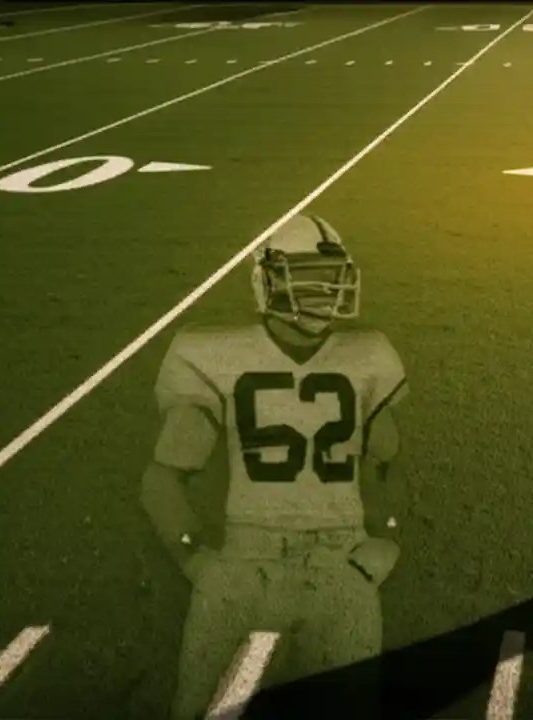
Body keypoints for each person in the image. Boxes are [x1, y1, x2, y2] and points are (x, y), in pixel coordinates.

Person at [139, 213, 408, 719]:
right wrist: (195, 558)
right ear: (267, 282)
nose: (324, 291)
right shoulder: (216, 355)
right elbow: (163, 480)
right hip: (246, 559)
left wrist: (386, 538)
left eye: (330, 278)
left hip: (339, 557)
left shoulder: (367, 356)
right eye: (308, 277)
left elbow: (386, 465)